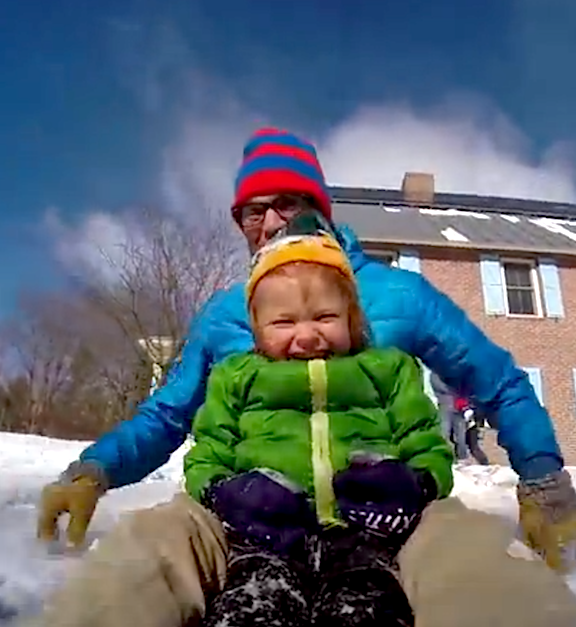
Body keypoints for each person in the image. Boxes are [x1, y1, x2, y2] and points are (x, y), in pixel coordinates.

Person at [31, 127, 576, 627]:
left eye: (288, 202)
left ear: (321, 207)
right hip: (249, 517)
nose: (272, 220)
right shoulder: (227, 315)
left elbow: (497, 382)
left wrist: (544, 482)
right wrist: (93, 470)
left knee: (471, 553)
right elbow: (169, 413)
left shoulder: (398, 295)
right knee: (154, 541)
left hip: (387, 513)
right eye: (254, 211)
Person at [187, 217, 452, 626]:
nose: (307, 336)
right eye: (284, 322)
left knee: (368, 609)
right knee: (252, 606)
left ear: (352, 317)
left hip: (368, 539)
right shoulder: (235, 376)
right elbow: (208, 451)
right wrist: (225, 493)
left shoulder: (388, 370)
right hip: (261, 538)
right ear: (256, 329)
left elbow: (426, 443)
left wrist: (416, 483)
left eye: (325, 316)